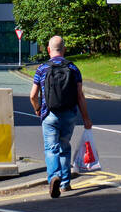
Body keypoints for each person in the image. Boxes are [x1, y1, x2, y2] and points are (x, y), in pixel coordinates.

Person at [30, 35, 92, 198]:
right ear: (64, 50)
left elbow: (32, 95)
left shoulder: (42, 69)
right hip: (69, 114)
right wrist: (86, 118)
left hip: (49, 114)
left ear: (49, 50)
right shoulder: (73, 68)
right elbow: (80, 96)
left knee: (51, 149)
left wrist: (37, 109)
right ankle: (65, 183)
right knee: (64, 146)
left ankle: (53, 177)